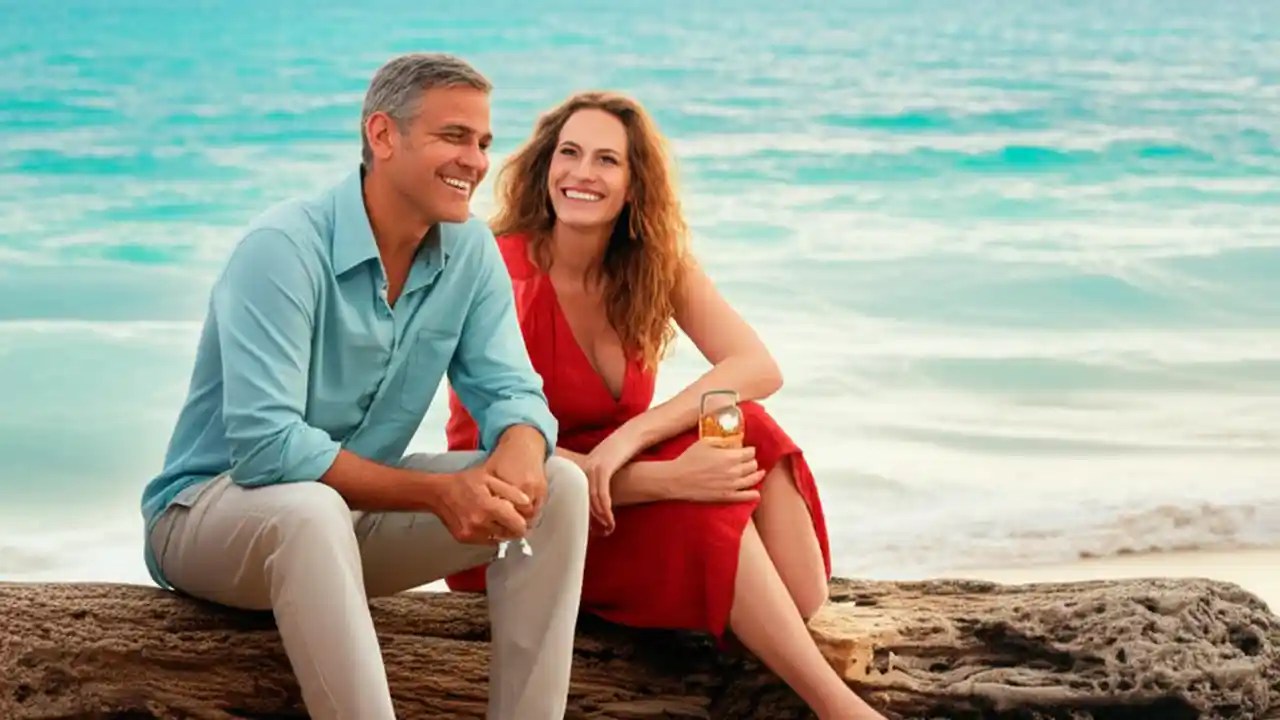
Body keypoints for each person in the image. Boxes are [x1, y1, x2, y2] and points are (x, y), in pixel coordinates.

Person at [138, 53, 590, 720]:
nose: (476, 161)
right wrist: (439, 493)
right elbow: (267, 450)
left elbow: (513, 392)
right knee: (311, 509)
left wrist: (522, 458)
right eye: (454, 137)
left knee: (563, 488)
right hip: (210, 516)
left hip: (349, 524)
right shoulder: (283, 248)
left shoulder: (469, 252)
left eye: (484, 142)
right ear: (383, 136)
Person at [443, 91, 886, 720]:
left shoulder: (649, 262)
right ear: (545, 166)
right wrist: (668, 479)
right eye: (568, 153)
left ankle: (756, 609)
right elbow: (486, 458)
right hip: (528, 516)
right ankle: (838, 707)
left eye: (606, 160)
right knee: (701, 519)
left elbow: (756, 366)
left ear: (633, 185)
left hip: (616, 485)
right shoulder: (495, 269)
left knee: (746, 426)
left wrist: (630, 441)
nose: (581, 174)